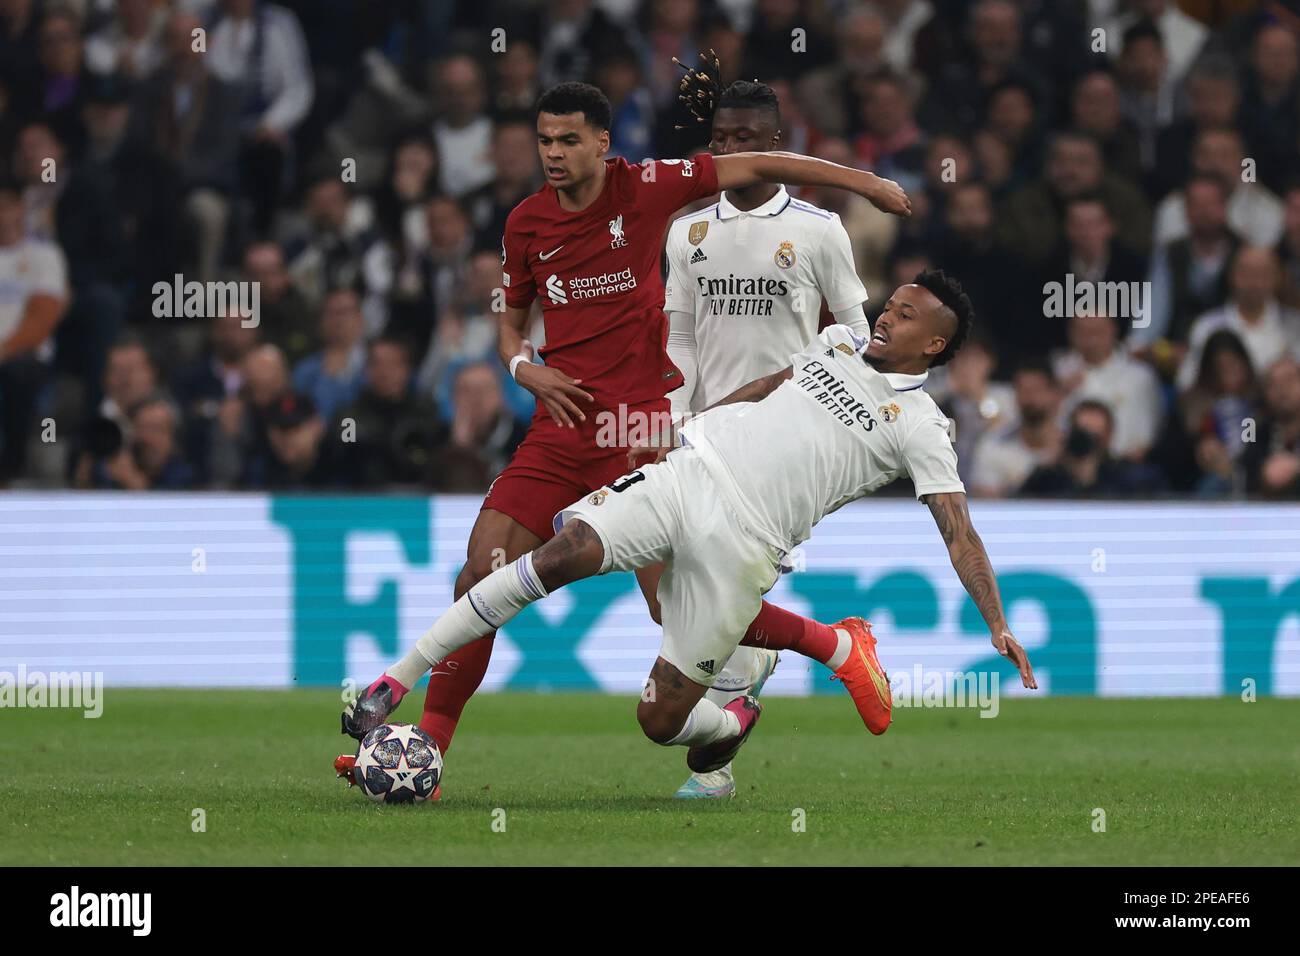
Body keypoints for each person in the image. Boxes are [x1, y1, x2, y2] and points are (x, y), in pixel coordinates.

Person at [336, 79, 912, 797]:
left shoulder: (647, 189)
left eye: (569, 139)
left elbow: (762, 167)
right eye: (545, 140)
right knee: (478, 573)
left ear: (602, 143)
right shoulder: (524, 223)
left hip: (638, 428)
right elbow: (511, 324)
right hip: (562, 427)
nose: (553, 153)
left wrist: (867, 183)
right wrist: (524, 369)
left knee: (678, 612)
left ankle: (811, 656)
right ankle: (429, 748)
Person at [342, 272, 1037, 780]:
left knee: (660, 721)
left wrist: (996, 621)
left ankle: (744, 713)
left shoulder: (922, 428)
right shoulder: (837, 341)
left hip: (748, 544)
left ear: (936, 342)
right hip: (690, 476)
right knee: (562, 554)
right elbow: (770, 385)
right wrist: (694, 424)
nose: (888, 315)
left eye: (908, 315)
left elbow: (959, 532)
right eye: (893, 302)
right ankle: (396, 678)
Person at [660, 76, 873, 799]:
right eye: (720, 140)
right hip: (702, 442)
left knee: (733, 583)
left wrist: (816, 396)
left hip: (784, 448)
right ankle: (743, 697)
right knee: (688, 598)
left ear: (775, 145)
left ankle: (718, 761)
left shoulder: (818, 229)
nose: (730, 151)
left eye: (745, 139)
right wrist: (676, 416)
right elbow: (680, 335)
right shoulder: (686, 231)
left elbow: (858, 335)